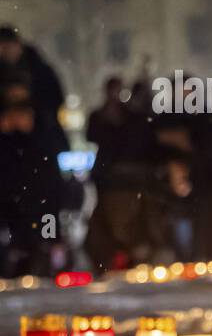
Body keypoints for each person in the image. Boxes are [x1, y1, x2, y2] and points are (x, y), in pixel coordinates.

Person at [84, 76, 156, 271]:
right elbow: (93, 135)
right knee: (112, 222)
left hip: (127, 181)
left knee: (129, 222)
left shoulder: (130, 117)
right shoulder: (100, 116)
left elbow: (136, 138)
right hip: (109, 178)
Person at [0, 85, 63, 276]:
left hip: (37, 208)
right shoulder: (6, 147)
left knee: (39, 261)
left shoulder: (43, 138)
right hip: (10, 209)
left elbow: (50, 185)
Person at [0, 25, 70, 159]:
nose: (5, 53)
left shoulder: (38, 69)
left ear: (17, 45)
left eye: (7, 47)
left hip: (40, 141)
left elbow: (54, 99)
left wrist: (33, 112)